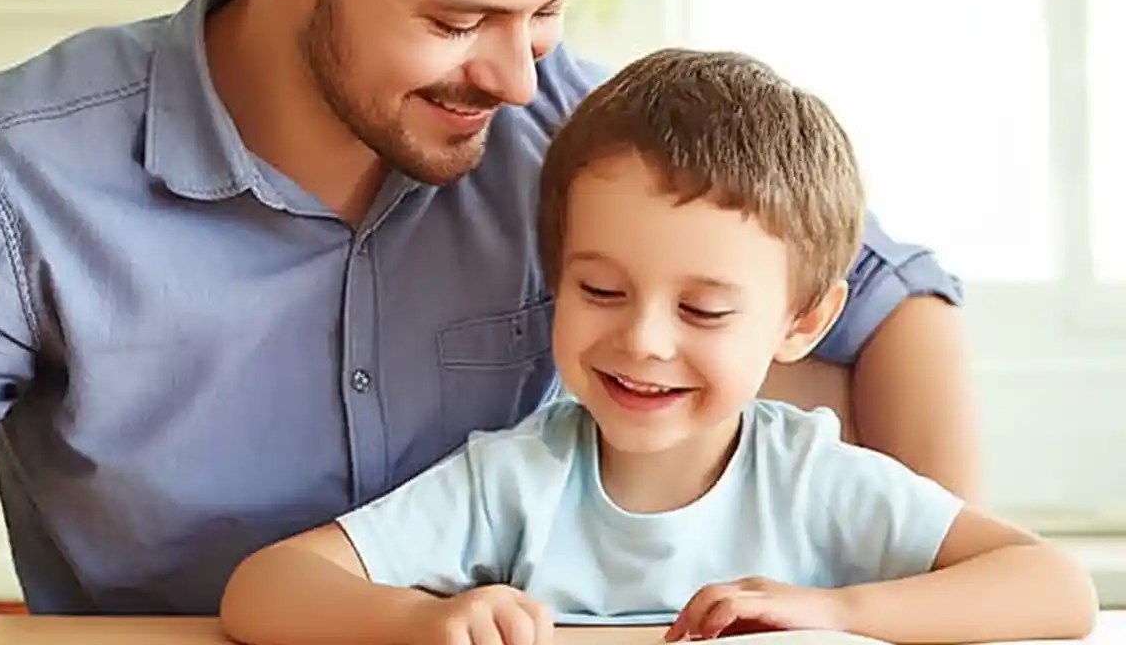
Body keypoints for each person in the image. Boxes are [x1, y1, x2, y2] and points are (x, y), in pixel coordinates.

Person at [0, 0, 975, 638]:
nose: (512, 72)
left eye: (545, 14)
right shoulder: (11, 179)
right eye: (455, 20)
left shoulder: (572, 133)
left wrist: (899, 605)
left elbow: (889, 302)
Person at [218, 48, 1098, 645]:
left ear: (802, 321)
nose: (641, 340)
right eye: (599, 291)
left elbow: (1058, 589)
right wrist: (413, 622)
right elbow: (263, 590)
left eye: (705, 311)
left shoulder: (814, 482)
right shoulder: (513, 481)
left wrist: (838, 610)